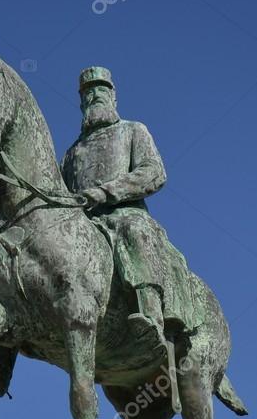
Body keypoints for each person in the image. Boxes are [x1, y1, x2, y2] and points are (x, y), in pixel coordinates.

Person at [61, 66, 202, 348]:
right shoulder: (72, 153)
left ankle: (151, 315)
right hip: (83, 224)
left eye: (101, 90)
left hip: (124, 213)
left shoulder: (133, 130)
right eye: (88, 93)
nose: (94, 96)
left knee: (134, 230)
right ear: (81, 102)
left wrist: (105, 192)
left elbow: (153, 172)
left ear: (113, 96)